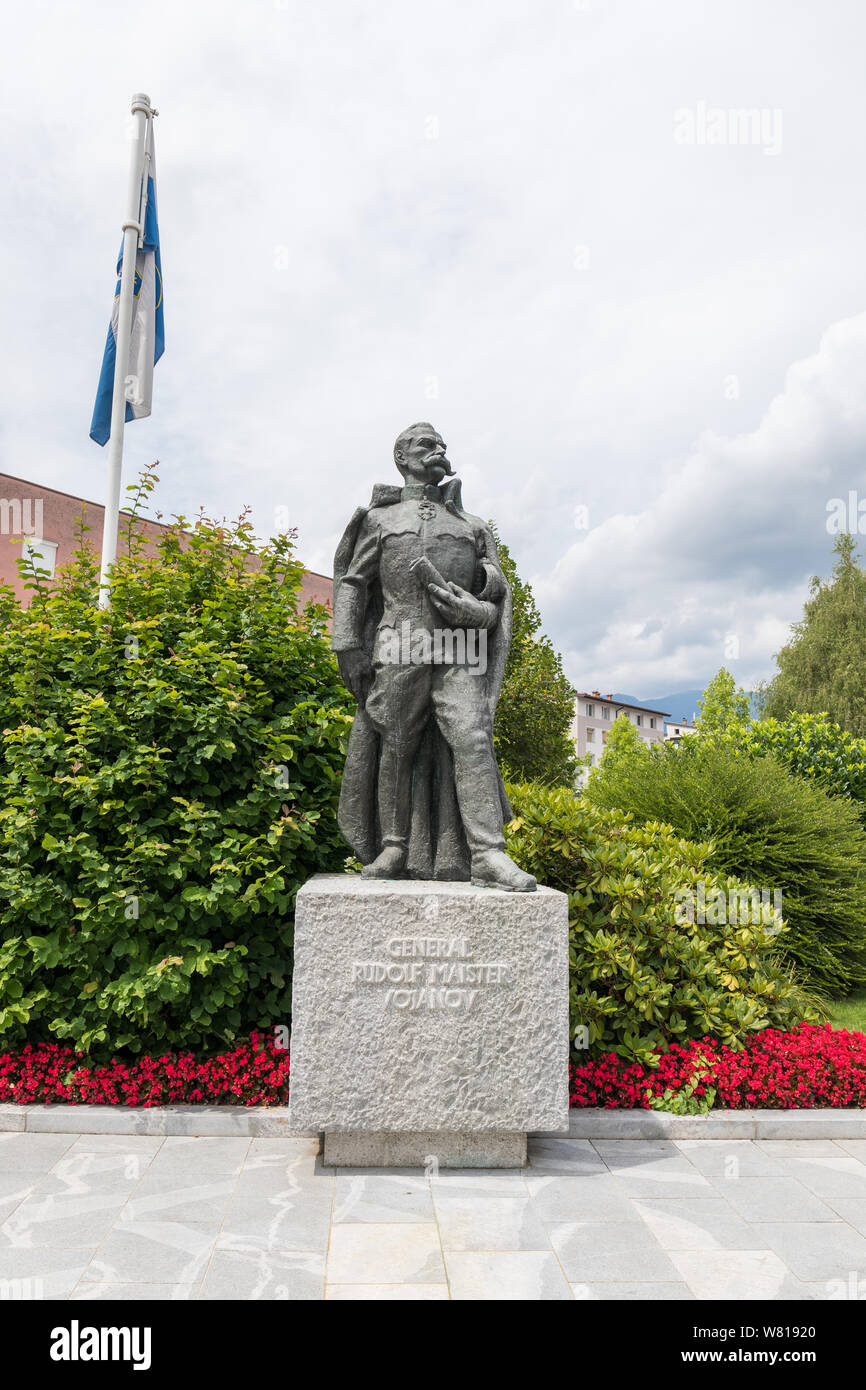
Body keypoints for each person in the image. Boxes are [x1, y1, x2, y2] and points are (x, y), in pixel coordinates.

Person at [333, 422, 536, 892]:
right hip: (397, 644)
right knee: (395, 743)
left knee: (473, 735)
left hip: (458, 648)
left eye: (443, 445)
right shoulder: (378, 521)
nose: (439, 451)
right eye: (427, 445)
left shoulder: (472, 526)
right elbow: (354, 584)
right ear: (401, 457)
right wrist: (346, 644)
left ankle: (488, 855)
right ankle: (394, 845)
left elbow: (497, 598)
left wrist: (478, 611)